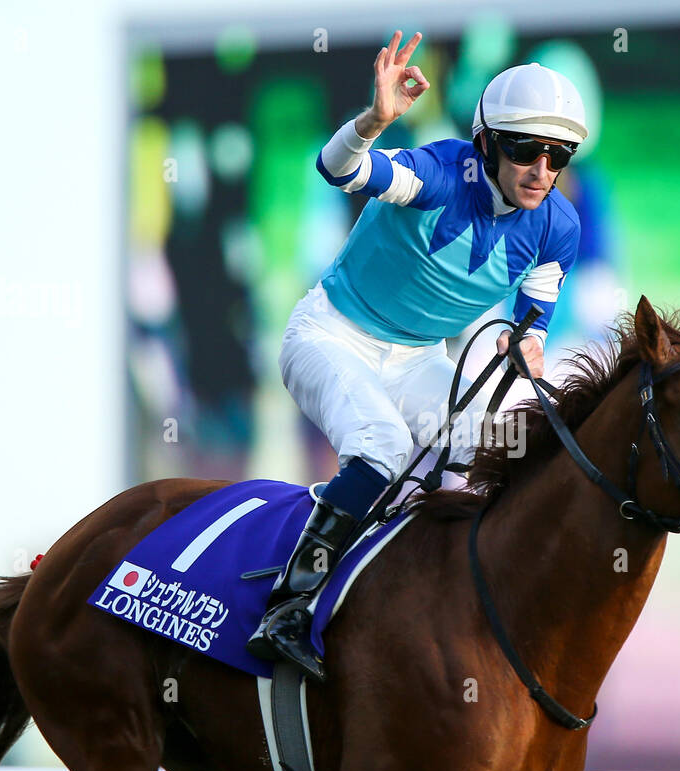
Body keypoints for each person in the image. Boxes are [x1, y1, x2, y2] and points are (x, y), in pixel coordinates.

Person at [247, 30, 587, 681]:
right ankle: (287, 608)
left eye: (558, 154)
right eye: (525, 150)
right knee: (381, 447)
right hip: (331, 336)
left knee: (484, 452)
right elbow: (340, 170)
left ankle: (431, 603)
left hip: (412, 358)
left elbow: (533, 324)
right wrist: (374, 122)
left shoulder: (558, 228)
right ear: (485, 142)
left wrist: (528, 346)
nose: (542, 170)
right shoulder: (435, 174)